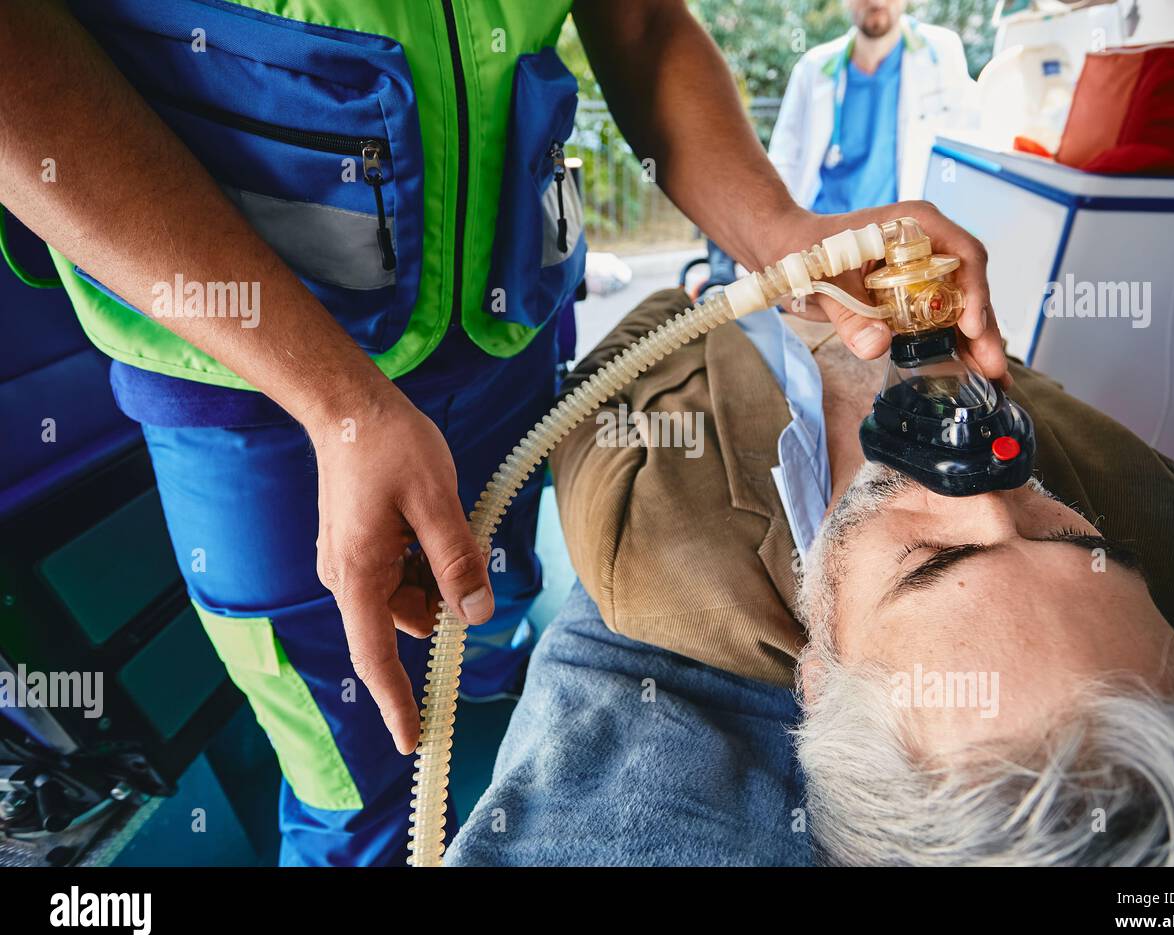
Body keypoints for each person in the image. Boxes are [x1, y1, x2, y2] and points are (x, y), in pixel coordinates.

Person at [0, 1, 999, 865]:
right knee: (356, 764)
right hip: (252, 394)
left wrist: (777, 232)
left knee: (485, 623)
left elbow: (641, 23)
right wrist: (332, 396)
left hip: (506, 335)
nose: (993, 515)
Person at [447, 285, 1174, 866]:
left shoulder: (651, 561)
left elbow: (610, 370)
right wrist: (919, 344)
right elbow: (1009, 378)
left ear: (819, 679)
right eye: (1076, 544)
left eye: (934, 561)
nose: (996, 495)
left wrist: (738, 285)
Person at [768, 0, 975, 211]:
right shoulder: (812, 68)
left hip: (897, 234)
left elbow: (967, 145)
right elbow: (784, 158)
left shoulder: (942, 52)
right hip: (825, 230)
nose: (877, 2)